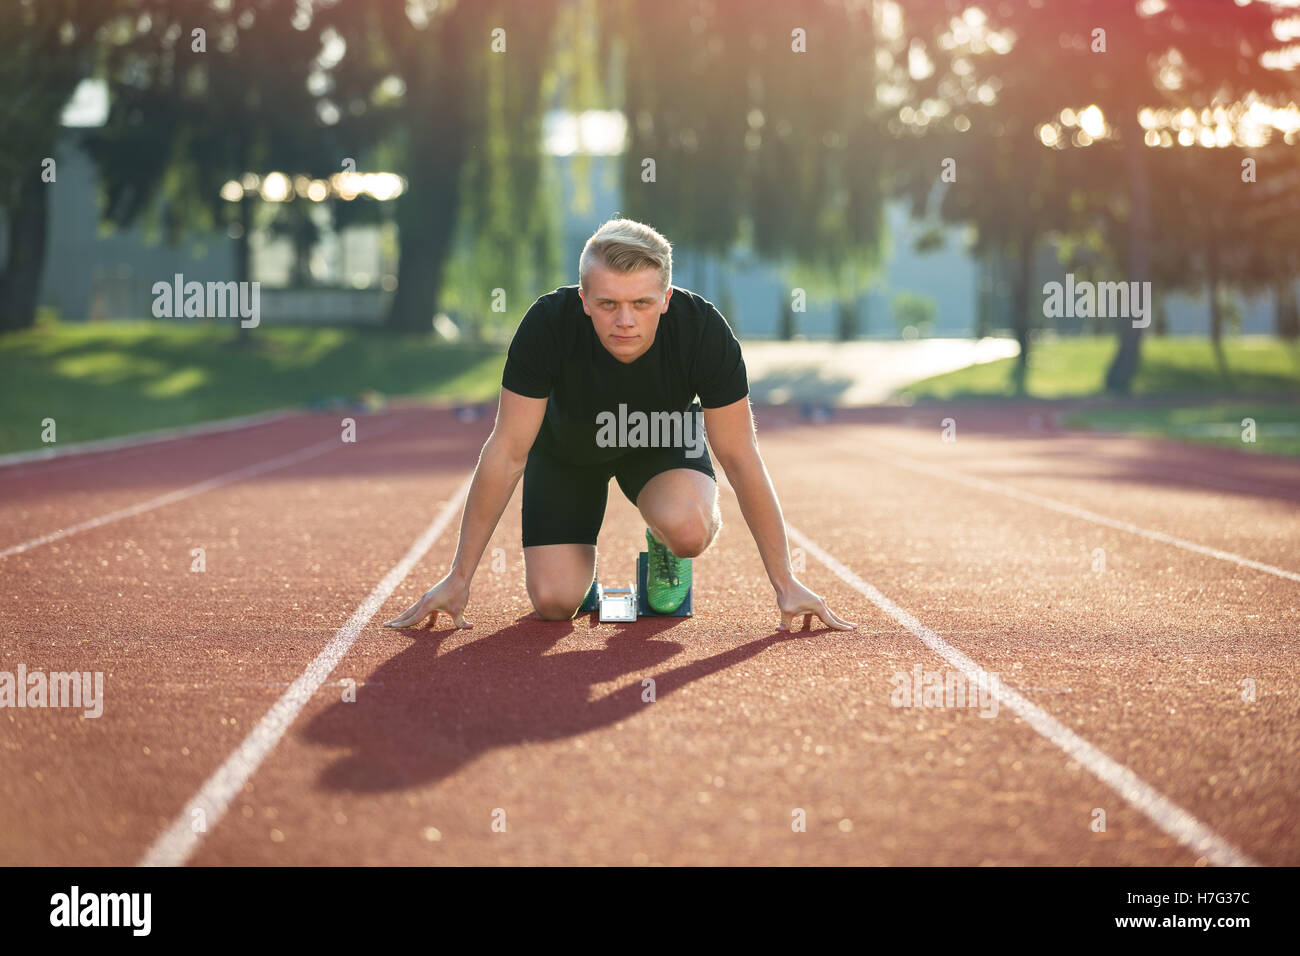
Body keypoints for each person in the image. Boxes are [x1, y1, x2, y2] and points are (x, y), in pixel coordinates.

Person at [385, 218, 854, 633]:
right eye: (608, 304)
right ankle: (577, 580)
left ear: (667, 298)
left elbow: (739, 455)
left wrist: (786, 582)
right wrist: (459, 578)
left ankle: (663, 541)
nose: (625, 321)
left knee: (688, 530)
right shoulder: (547, 326)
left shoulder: (703, 332)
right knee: (553, 604)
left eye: (642, 303)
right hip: (567, 452)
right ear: (583, 299)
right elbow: (507, 451)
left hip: (661, 442)